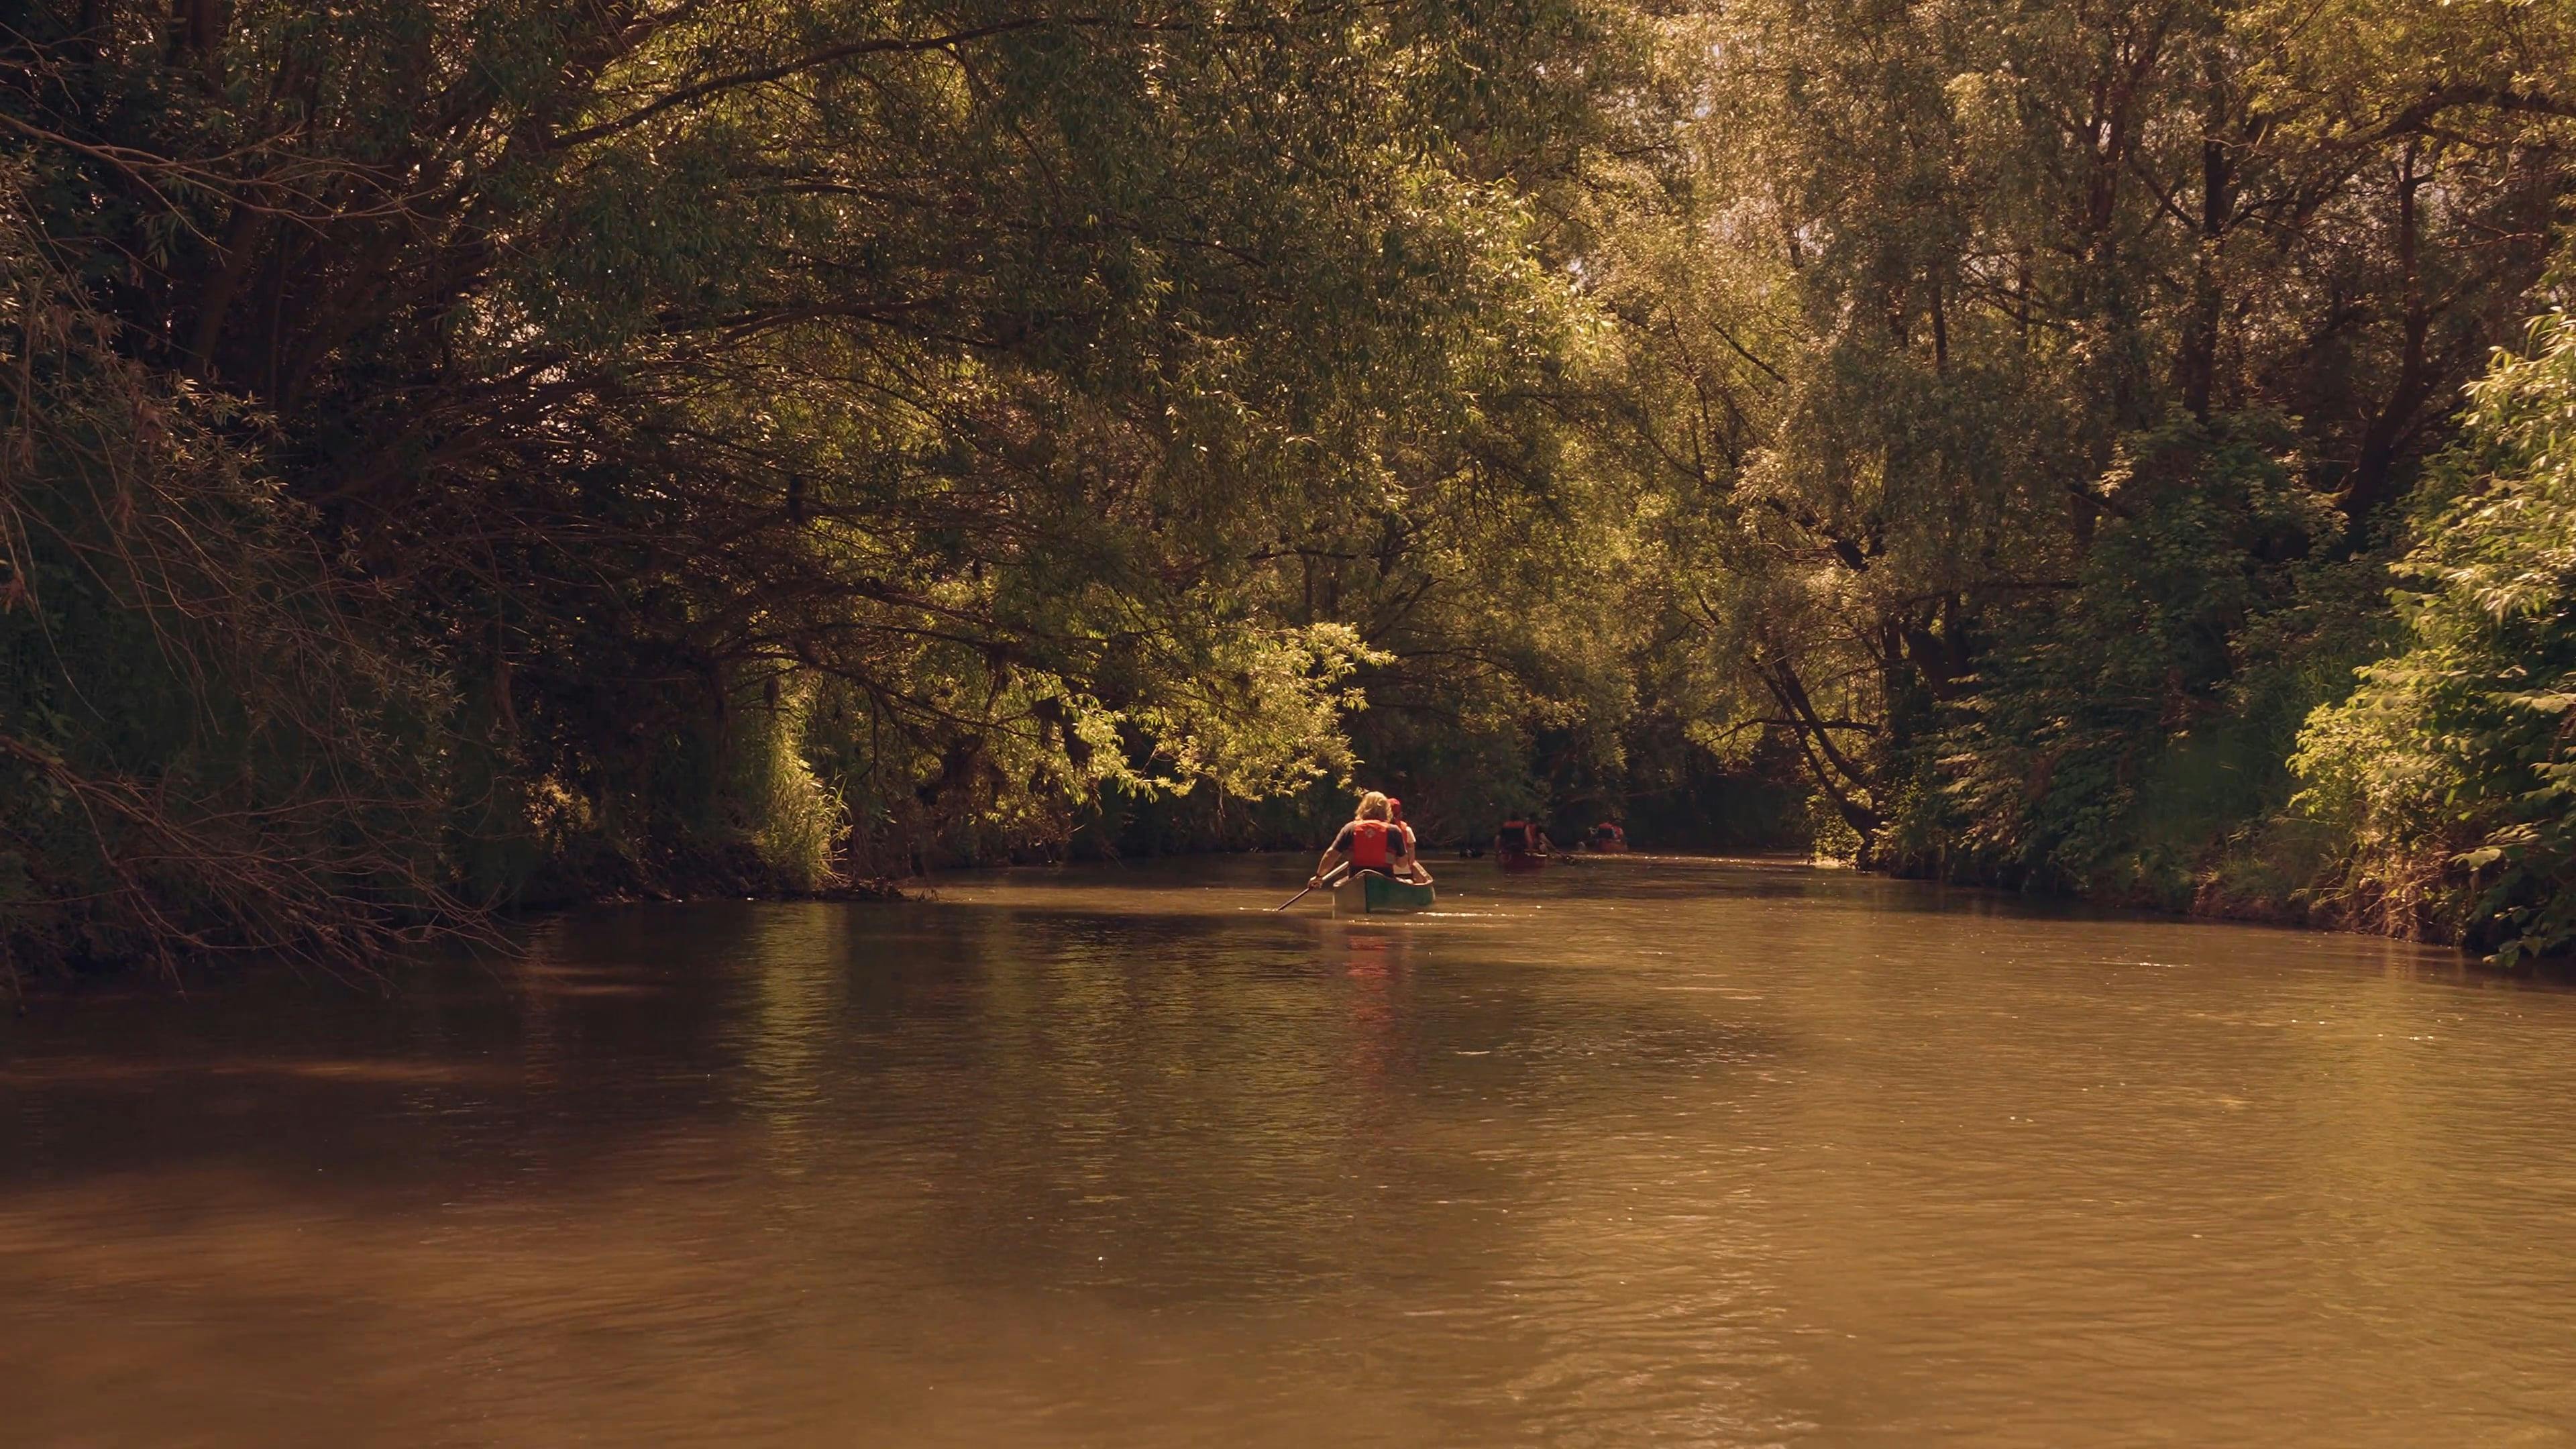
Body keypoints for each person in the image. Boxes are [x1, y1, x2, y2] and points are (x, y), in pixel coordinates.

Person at [1311, 791, 1432, 887]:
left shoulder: (1350, 828)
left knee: (1342, 884)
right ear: (1386, 810)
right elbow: (1402, 864)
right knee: (1410, 883)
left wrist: (1319, 876)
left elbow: (1331, 854)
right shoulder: (1394, 830)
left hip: (1355, 878)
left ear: (1362, 807)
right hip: (1386, 880)